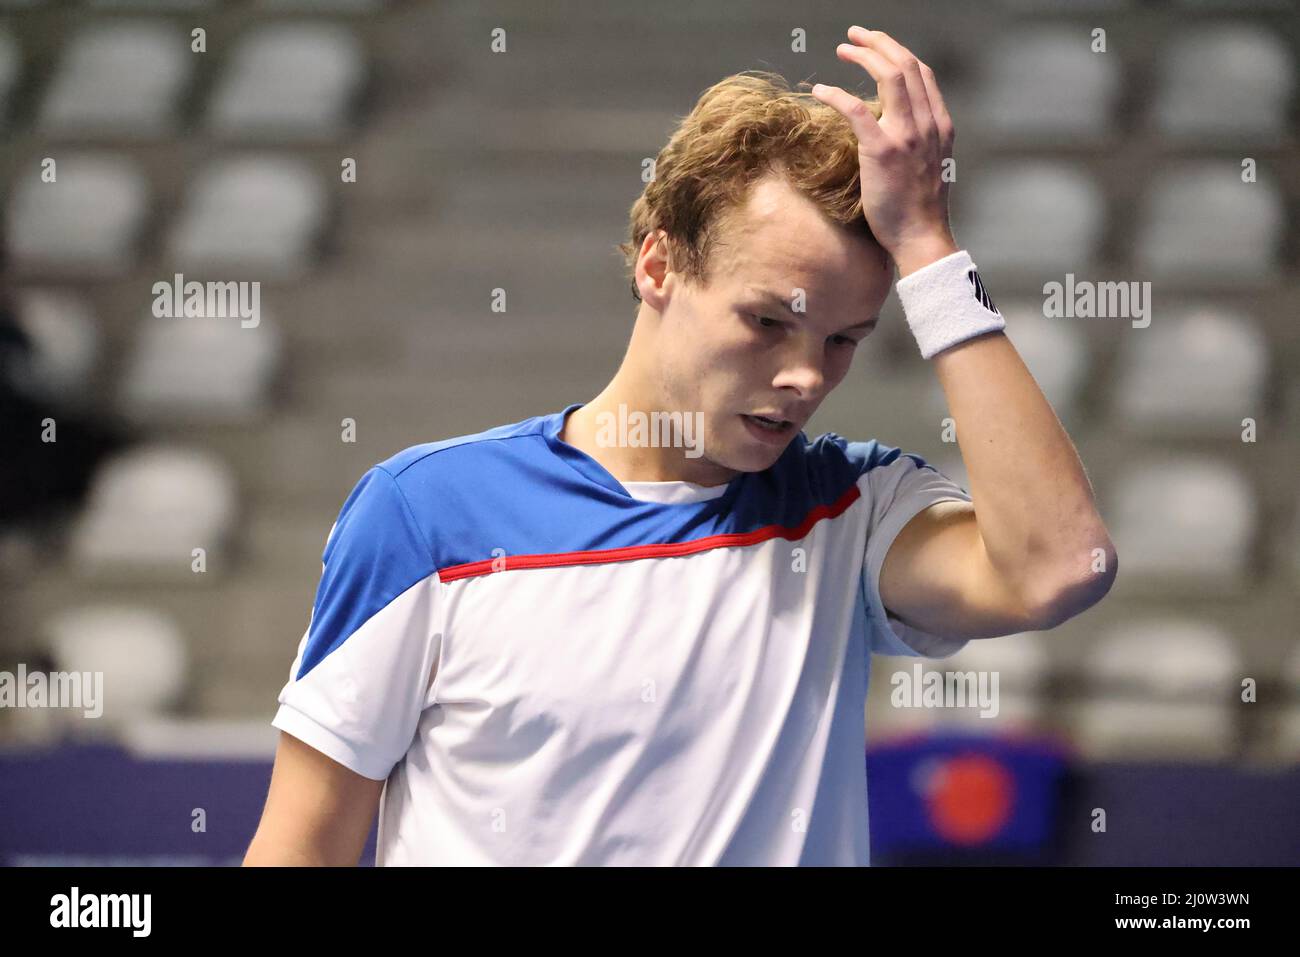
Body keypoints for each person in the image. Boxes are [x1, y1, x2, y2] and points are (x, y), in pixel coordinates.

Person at [244, 27, 1116, 866]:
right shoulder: (424, 513)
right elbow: (302, 847)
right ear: (659, 266)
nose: (806, 378)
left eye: (843, 339)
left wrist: (928, 247)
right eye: (769, 322)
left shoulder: (853, 511)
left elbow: (1059, 566)